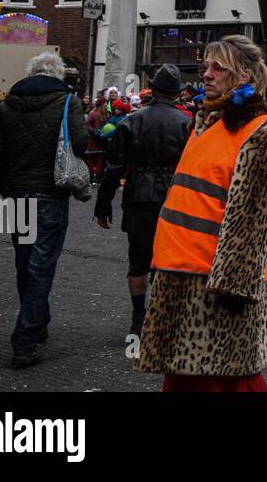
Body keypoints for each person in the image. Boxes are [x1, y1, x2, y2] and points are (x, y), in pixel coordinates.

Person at [137, 35, 267, 392]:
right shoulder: (207, 121)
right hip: (180, 269)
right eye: (206, 66)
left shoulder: (257, 132)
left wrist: (232, 286)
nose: (207, 73)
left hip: (215, 281)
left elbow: (251, 218)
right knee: (185, 374)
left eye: (219, 67)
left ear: (243, 76)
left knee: (227, 379)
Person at [0, 51, 88, 368]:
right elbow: (80, 141)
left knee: (24, 261)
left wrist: (9, 188)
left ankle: (37, 322)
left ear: (30, 73)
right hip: (50, 193)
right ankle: (25, 340)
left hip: (18, 195)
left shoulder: (6, 106)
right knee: (41, 266)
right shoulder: (68, 103)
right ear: (57, 74)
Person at [94, 64, 192, 336]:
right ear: (177, 92)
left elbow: (113, 168)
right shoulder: (186, 123)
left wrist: (103, 204)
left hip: (139, 194)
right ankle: (164, 315)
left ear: (154, 89)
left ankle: (139, 316)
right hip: (174, 197)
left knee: (138, 259)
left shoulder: (131, 121)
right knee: (170, 258)